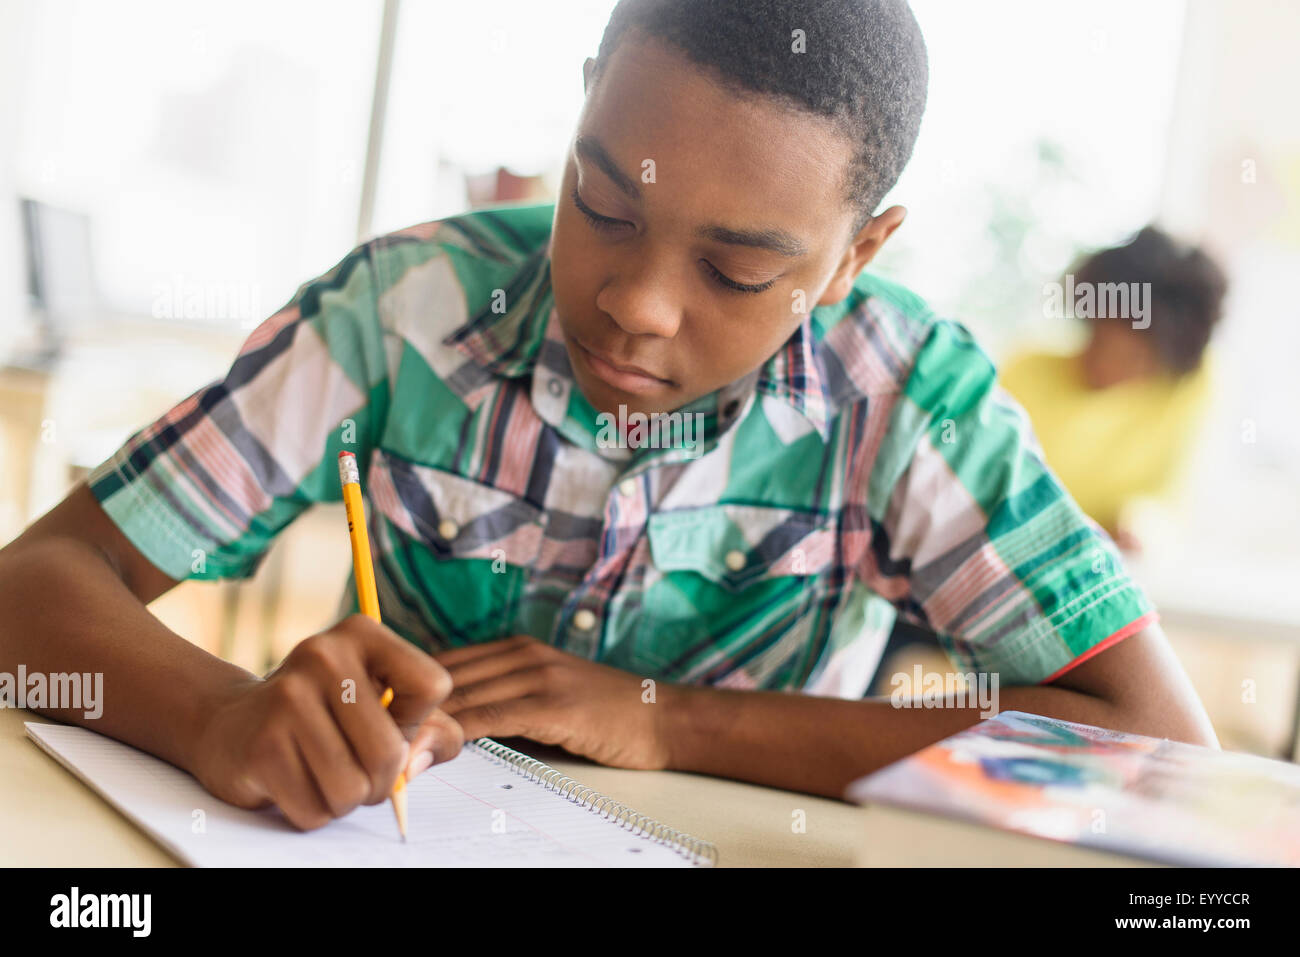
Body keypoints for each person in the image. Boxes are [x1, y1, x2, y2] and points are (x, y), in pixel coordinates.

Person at [0, 0, 1216, 831]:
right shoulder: (406, 310)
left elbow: (1161, 753)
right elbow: (31, 588)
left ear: (857, 255)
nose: (634, 304)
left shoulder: (909, 403)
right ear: (583, 109)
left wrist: (673, 721)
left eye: (739, 273)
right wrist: (218, 714)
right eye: (603, 201)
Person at [1001, 227, 1228, 549]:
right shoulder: (1024, 372)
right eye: (1102, 341)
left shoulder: (1187, 387)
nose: (1108, 366)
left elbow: (1166, 504)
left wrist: (1144, 525)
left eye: (1136, 359)